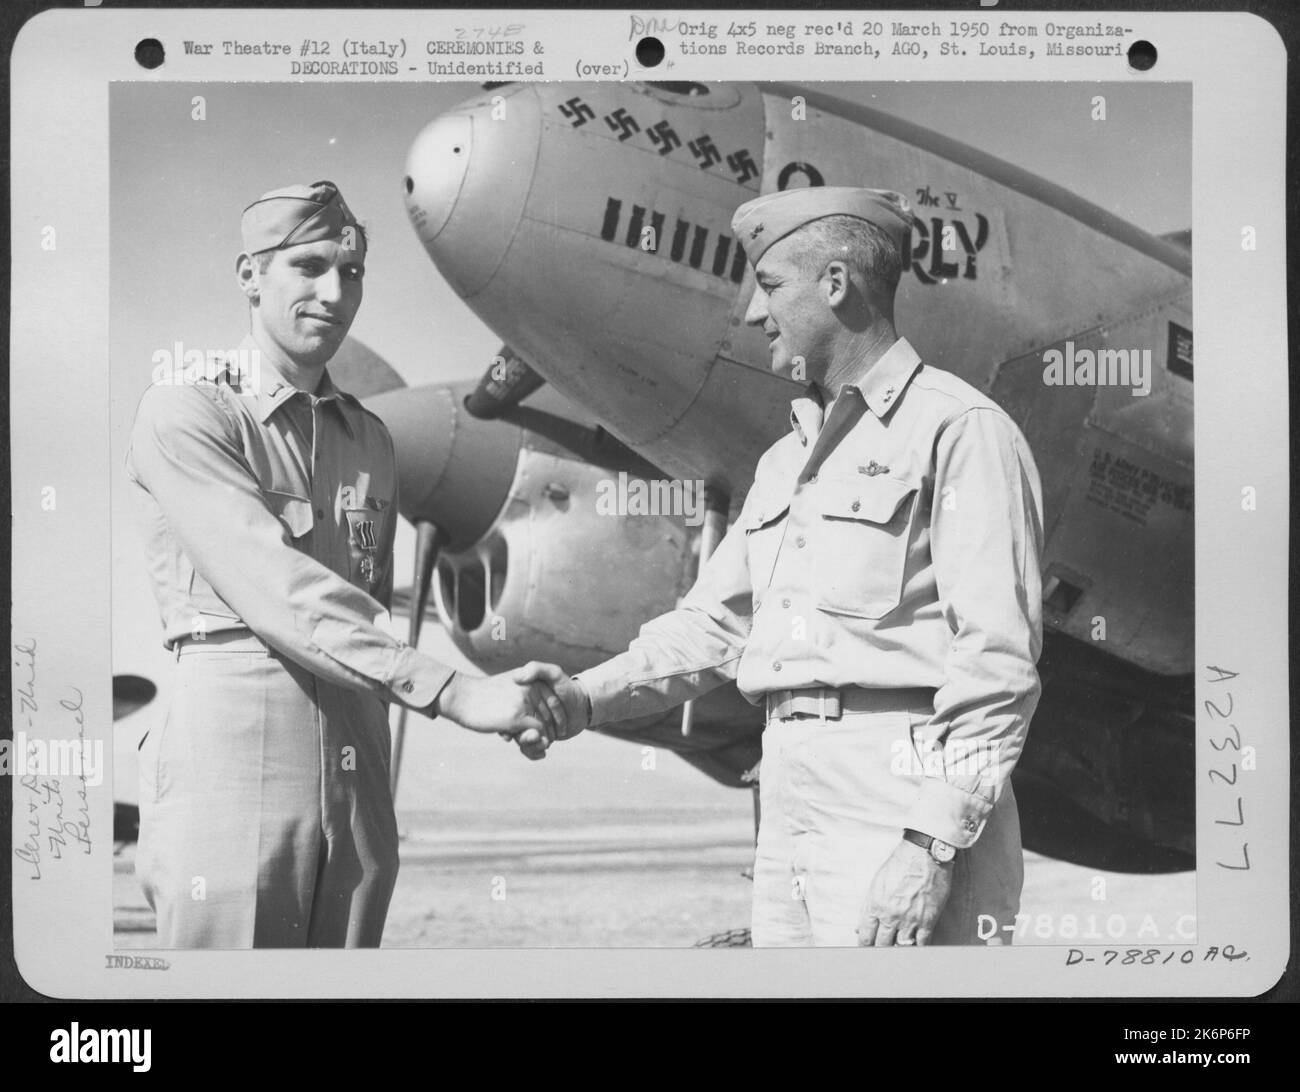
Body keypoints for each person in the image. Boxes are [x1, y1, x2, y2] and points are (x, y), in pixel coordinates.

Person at [537, 186, 1045, 947]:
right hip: (789, 793)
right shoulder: (785, 463)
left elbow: (997, 666)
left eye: (769, 285)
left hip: (900, 795)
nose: (751, 312)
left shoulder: (959, 428)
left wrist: (932, 843)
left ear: (836, 285)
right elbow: (714, 624)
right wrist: (582, 698)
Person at [125, 180, 564, 948]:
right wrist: (455, 693)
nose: (334, 293)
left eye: (352, 273)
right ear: (249, 275)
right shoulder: (187, 413)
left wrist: (517, 697)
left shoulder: (372, 441)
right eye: (307, 266)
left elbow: (365, 603)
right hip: (234, 755)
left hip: (359, 764)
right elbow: (281, 593)